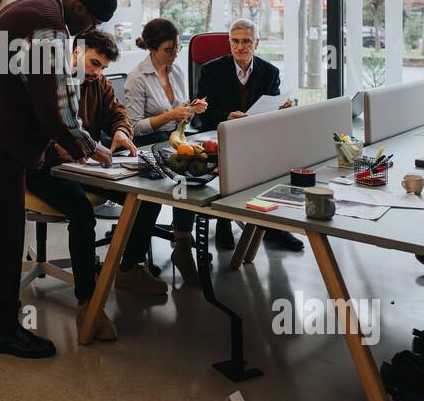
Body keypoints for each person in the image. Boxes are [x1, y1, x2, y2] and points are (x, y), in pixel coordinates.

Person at [0, 0, 119, 359]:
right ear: (77, 7)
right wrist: (90, 147)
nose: (89, 30)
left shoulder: (31, 6)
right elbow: (55, 103)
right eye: (91, 22)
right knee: (7, 235)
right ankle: (5, 331)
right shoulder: (51, 28)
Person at [25, 30, 169, 342]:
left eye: (102, 67)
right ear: (75, 53)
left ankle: (128, 269)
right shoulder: (49, 79)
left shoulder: (96, 82)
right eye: (94, 63)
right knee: (81, 211)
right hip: (40, 168)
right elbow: (34, 131)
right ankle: (87, 302)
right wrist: (68, 150)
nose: (97, 72)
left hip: (84, 165)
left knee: (147, 194)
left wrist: (121, 132)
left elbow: (117, 112)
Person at [191, 19, 304, 252]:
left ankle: (274, 227)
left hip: (254, 135)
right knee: (231, 157)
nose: (240, 47)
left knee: (282, 159)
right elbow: (202, 111)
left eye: (246, 41)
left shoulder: (269, 72)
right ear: (229, 42)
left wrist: (282, 109)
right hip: (220, 133)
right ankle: (223, 220)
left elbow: (272, 107)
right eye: (236, 41)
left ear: (257, 43)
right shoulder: (211, 70)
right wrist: (226, 117)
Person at [123, 18, 208, 285]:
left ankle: (182, 244)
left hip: (175, 138)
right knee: (184, 166)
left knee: (196, 169)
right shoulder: (137, 78)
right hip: (149, 143)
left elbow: (182, 116)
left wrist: (192, 108)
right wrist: (170, 115)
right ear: (152, 48)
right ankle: (140, 261)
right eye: (168, 50)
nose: (174, 54)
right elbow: (134, 128)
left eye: (177, 48)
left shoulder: (177, 71)